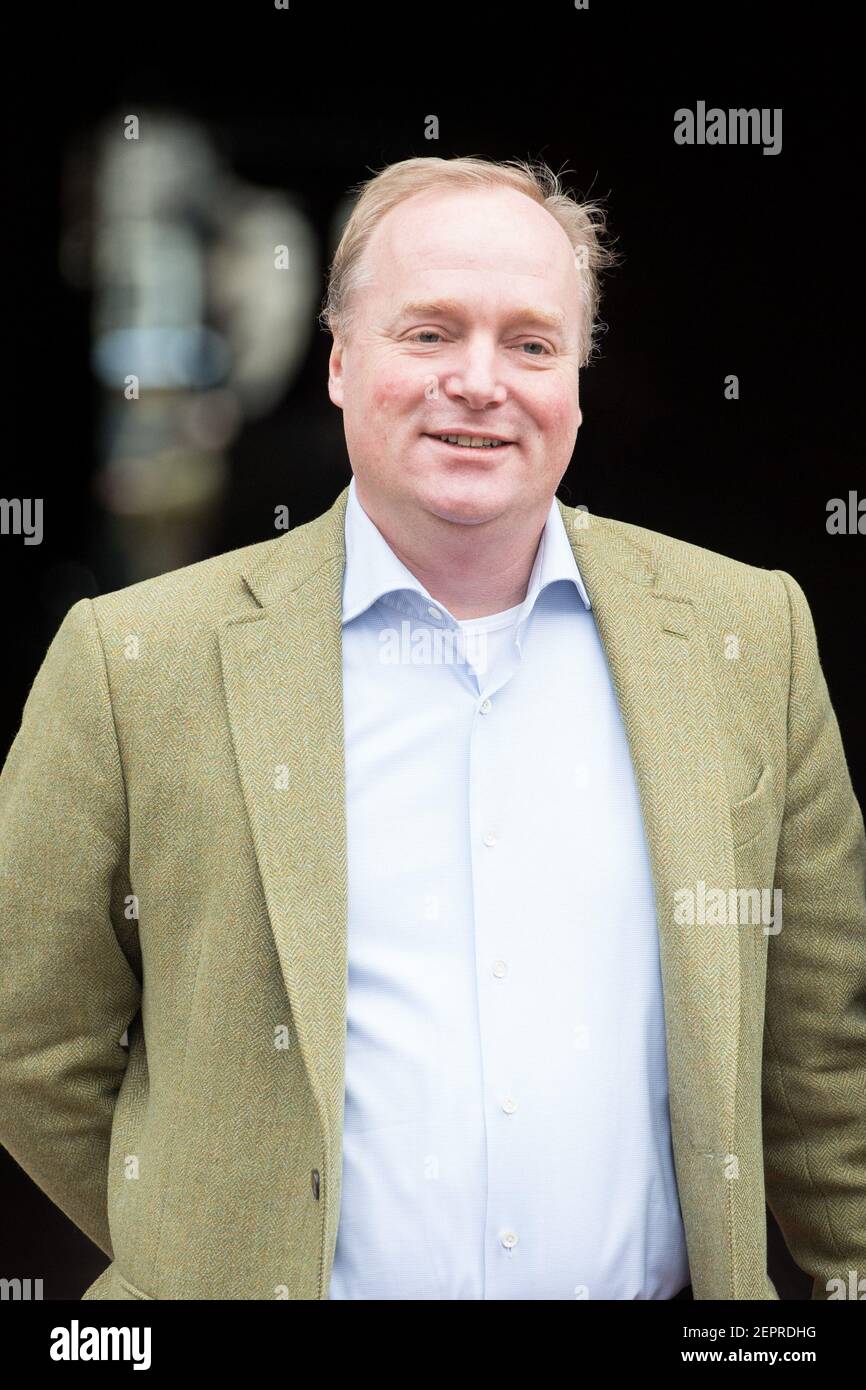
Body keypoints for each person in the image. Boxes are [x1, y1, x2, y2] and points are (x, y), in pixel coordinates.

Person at [1, 156, 864, 1300]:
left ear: (577, 380)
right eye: (428, 333)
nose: (479, 381)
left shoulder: (747, 638)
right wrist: (211, 1237)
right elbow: (29, 1039)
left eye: (529, 343)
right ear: (340, 362)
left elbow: (821, 1068)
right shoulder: (133, 664)